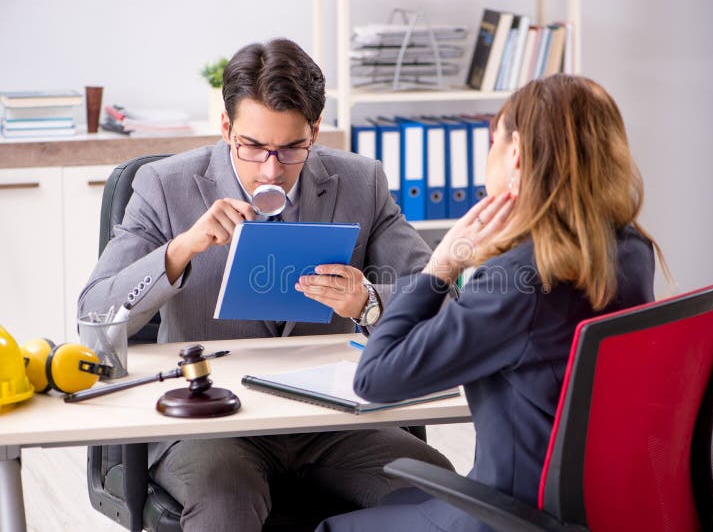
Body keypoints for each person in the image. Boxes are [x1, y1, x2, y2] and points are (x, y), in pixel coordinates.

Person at [79, 38, 452, 531]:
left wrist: (369, 300)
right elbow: (95, 312)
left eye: (291, 148)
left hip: (331, 418)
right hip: (212, 424)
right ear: (226, 127)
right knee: (226, 500)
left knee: (437, 489)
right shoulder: (164, 185)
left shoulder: (361, 181)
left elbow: (434, 295)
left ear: (315, 131)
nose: (270, 169)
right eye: (253, 147)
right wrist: (178, 251)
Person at [315, 74, 669, 532]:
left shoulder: (519, 282)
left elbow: (376, 377)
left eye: (491, 142)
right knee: (401, 499)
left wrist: (440, 267)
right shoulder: (631, 248)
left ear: (516, 154)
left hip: (514, 513)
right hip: (603, 503)